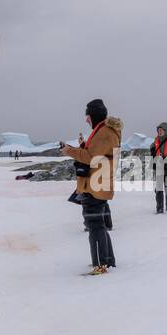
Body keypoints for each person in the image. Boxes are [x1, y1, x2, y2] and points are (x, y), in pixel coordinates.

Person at [61, 98, 122, 274]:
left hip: (96, 185)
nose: (86, 120)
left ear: (94, 115)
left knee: (94, 225)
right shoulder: (104, 131)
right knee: (98, 224)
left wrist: (69, 151)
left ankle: (100, 265)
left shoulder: (105, 132)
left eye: (87, 116)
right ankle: (107, 261)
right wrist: (81, 145)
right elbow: (96, 153)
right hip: (97, 184)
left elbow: (91, 158)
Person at [150, 121, 167, 214]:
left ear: (166, 131)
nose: (159, 132)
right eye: (158, 130)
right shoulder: (155, 141)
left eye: (161, 130)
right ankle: (159, 208)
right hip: (159, 167)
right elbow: (152, 151)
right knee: (158, 187)